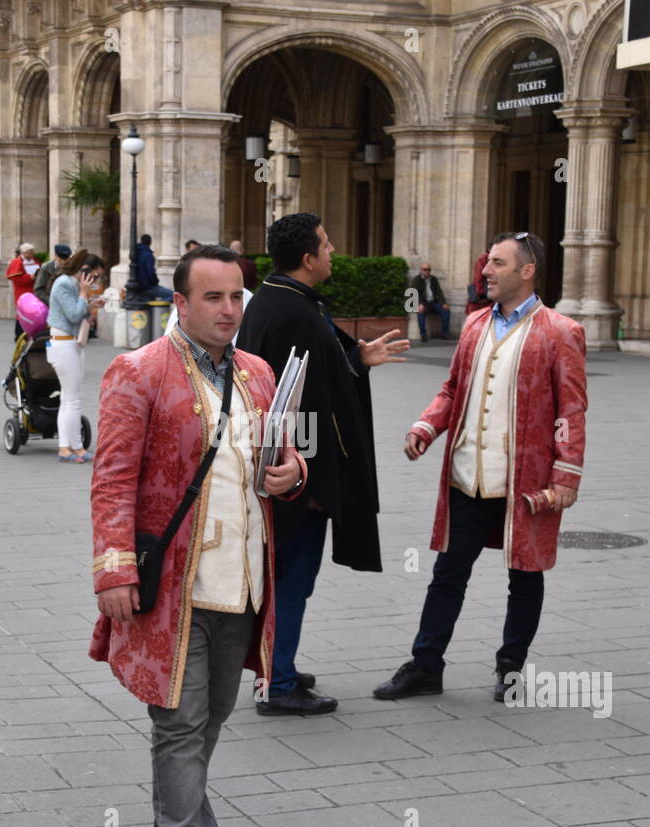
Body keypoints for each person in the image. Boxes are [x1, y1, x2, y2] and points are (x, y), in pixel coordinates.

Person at [90, 243, 306, 827]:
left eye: (237, 296)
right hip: (174, 580)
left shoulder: (260, 373)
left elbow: (284, 460)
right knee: (179, 719)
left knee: (214, 712)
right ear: (179, 302)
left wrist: (292, 474)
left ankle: (171, 814)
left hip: (243, 578)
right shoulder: (139, 371)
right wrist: (114, 569)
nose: (229, 309)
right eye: (214, 297)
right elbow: (112, 479)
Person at [373, 232, 588, 702]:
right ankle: (426, 665)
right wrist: (426, 427)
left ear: (526, 271)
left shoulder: (559, 331)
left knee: (525, 575)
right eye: (488, 263)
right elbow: (453, 389)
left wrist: (566, 474)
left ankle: (510, 668)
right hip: (466, 475)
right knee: (449, 572)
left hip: (526, 481)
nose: (485, 271)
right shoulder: (473, 325)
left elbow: (570, 411)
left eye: (497, 263)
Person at [237, 212, 410, 715]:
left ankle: (276, 663)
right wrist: (308, 477)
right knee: (293, 576)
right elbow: (301, 403)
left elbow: (318, 381)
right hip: (292, 475)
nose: (333, 253)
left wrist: (357, 360)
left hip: (282, 467)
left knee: (287, 576)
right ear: (308, 258)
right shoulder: (294, 312)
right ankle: (279, 683)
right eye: (328, 246)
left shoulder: (280, 300)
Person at [47, 249, 104, 463]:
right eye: (95, 275)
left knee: (70, 399)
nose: (95, 280)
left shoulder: (70, 284)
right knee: (72, 400)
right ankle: (67, 448)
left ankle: (73, 447)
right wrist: (83, 294)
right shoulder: (64, 284)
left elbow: (77, 312)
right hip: (63, 345)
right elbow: (72, 314)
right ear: (85, 270)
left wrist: (91, 304)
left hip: (71, 344)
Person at [410, 262, 452, 342]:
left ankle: (444, 333)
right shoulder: (417, 280)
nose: (427, 271)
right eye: (425, 270)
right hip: (423, 303)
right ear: (421, 270)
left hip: (433, 303)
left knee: (446, 310)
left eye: (428, 270)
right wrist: (419, 304)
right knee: (420, 312)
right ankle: (423, 334)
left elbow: (439, 292)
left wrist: (443, 303)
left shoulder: (433, 279)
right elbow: (414, 294)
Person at [134, 234, 173, 301]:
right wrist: (155, 281)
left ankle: (155, 305)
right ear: (150, 242)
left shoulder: (137, 253)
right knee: (173, 295)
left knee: (148, 307)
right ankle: (158, 304)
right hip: (148, 286)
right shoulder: (148, 255)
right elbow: (150, 272)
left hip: (140, 287)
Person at [467, 251, 491, 316]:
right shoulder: (484, 259)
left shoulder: (486, 258)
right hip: (481, 300)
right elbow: (479, 278)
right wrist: (481, 294)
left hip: (485, 298)